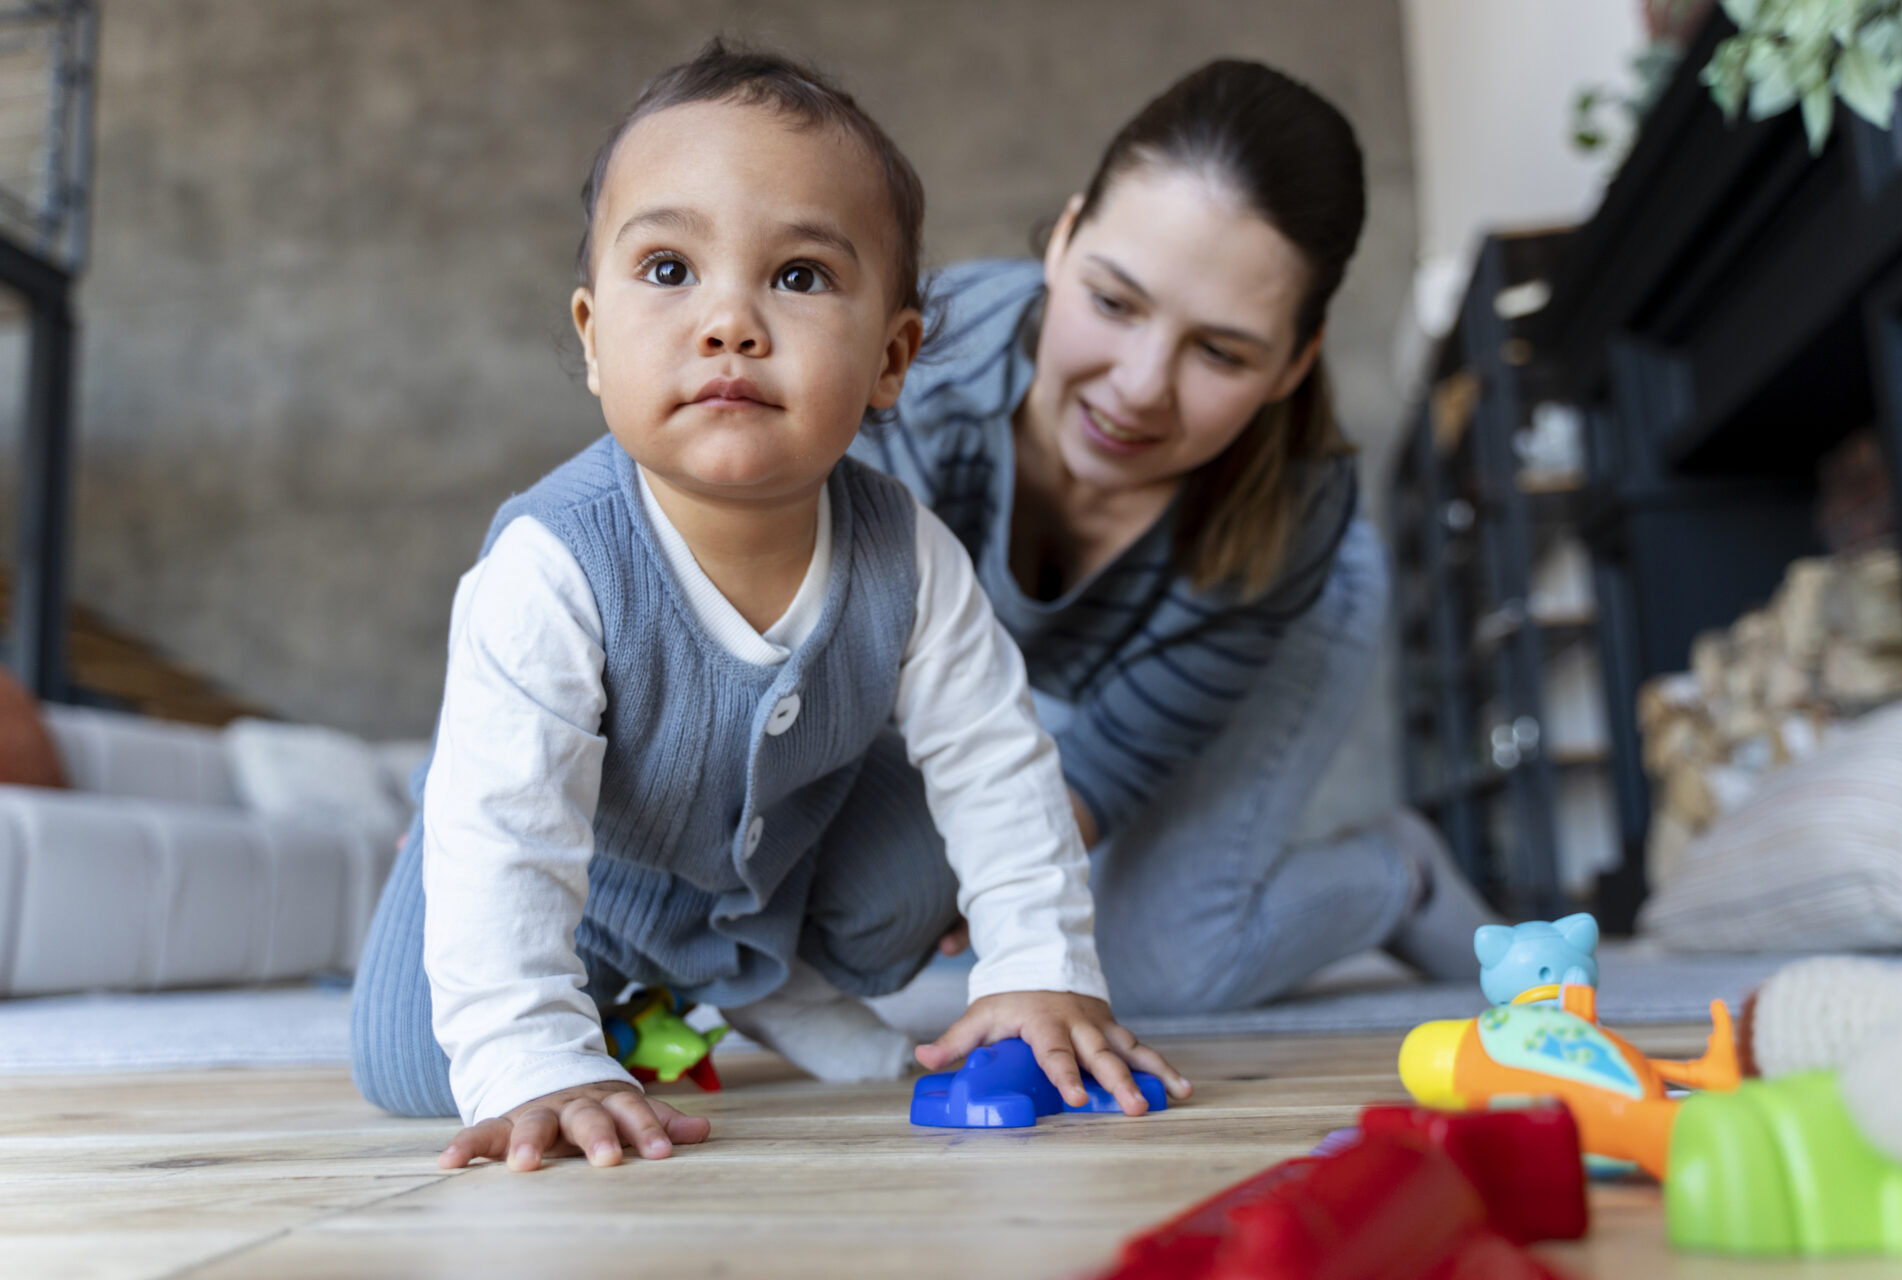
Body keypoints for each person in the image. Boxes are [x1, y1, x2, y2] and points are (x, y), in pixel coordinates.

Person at [350, 42, 1188, 1172]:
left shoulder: (907, 552)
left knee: (936, 852)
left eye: (798, 277)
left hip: (777, 870)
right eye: (668, 269)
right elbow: (511, 832)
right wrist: (536, 1057)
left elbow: (997, 760)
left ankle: (755, 976)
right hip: (572, 865)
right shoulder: (553, 564)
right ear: (593, 338)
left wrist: (1042, 971)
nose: (730, 321)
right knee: (420, 1065)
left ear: (892, 357)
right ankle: (605, 980)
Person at [853, 59, 1496, 1015]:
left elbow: (1104, 767)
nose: (1141, 387)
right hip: (1072, 636)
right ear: (1065, 239)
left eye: (1221, 352)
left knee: (1163, 968)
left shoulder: (1292, 510)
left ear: (1294, 363)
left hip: (1292, 593)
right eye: (1114, 302)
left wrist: (993, 868)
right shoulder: (915, 380)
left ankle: (1400, 874)